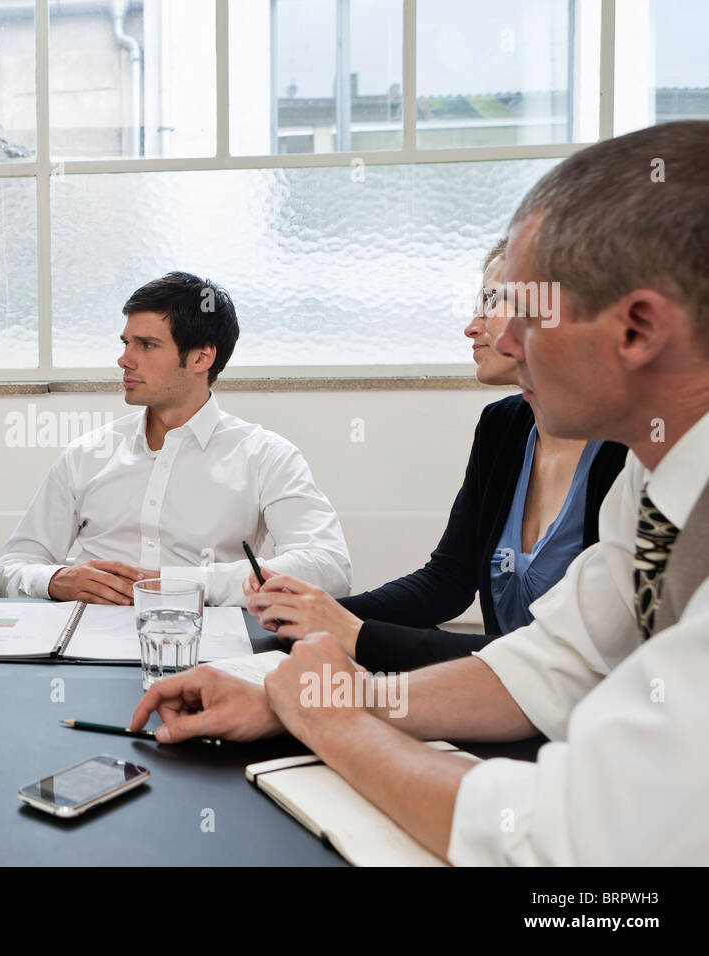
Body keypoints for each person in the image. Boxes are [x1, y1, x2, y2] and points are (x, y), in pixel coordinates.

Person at [130, 120, 709, 864]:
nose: (502, 341)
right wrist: (314, 699)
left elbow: (565, 843)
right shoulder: (652, 480)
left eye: (524, 315)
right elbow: (556, 661)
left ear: (637, 330)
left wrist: (334, 724)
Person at [244, 240, 627, 671]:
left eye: (490, 301)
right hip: (500, 697)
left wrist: (349, 630)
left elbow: (571, 663)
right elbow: (448, 581)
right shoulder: (503, 426)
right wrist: (317, 610)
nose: (471, 327)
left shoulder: (630, 450)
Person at [0, 271, 351, 607]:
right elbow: (12, 567)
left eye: (147, 345)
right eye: (126, 342)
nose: (124, 359)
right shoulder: (86, 454)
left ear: (201, 357)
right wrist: (57, 580)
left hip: (207, 648)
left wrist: (183, 585)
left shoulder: (266, 456)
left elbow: (330, 568)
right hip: (83, 643)